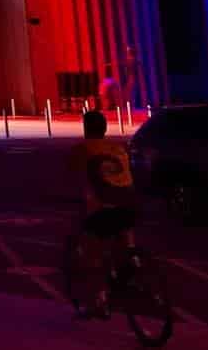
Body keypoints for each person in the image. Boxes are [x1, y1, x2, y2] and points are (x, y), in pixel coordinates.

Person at [68, 109, 138, 317]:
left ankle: (100, 302)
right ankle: (132, 257)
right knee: (124, 222)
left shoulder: (82, 149)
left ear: (85, 128)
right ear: (105, 128)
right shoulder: (118, 148)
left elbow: (73, 178)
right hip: (131, 206)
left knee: (93, 255)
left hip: (103, 211)